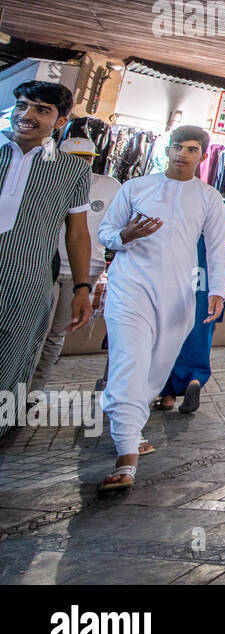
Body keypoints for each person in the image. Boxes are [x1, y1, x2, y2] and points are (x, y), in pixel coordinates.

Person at [98, 126, 225, 491]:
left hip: (177, 296)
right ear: (167, 150)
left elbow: (219, 247)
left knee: (155, 371)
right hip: (130, 288)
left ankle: (130, 422)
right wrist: (124, 236)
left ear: (202, 156)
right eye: (176, 147)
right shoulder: (136, 187)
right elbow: (106, 231)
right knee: (129, 362)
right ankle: (126, 457)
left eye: (191, 149)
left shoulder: (208, 197)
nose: (181, 155)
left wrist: (217, 290)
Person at [0, 82, 93, 439]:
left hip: (29, 280)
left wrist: (82, 288)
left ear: (60, 121)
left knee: (12, 359)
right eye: (22, 105)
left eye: (41, 109)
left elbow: (77, 233)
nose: (27, 115)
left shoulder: (72, 170)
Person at [31, 135, 119, 389]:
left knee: (56, 335)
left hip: (84, 272)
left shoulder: (110, 186)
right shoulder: (46, 183)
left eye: (86, 160)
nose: (80, 164)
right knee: (32, 334)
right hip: (44, 267)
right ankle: (16, 388)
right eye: (73, 159)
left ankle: (32, 393)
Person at [153, 234, 217, 414]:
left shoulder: (177, 224)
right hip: (204, 282)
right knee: (198, 332)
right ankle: (194, 379)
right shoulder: (212, 221)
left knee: (167, 333)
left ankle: (167, 396)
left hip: (175, 275)